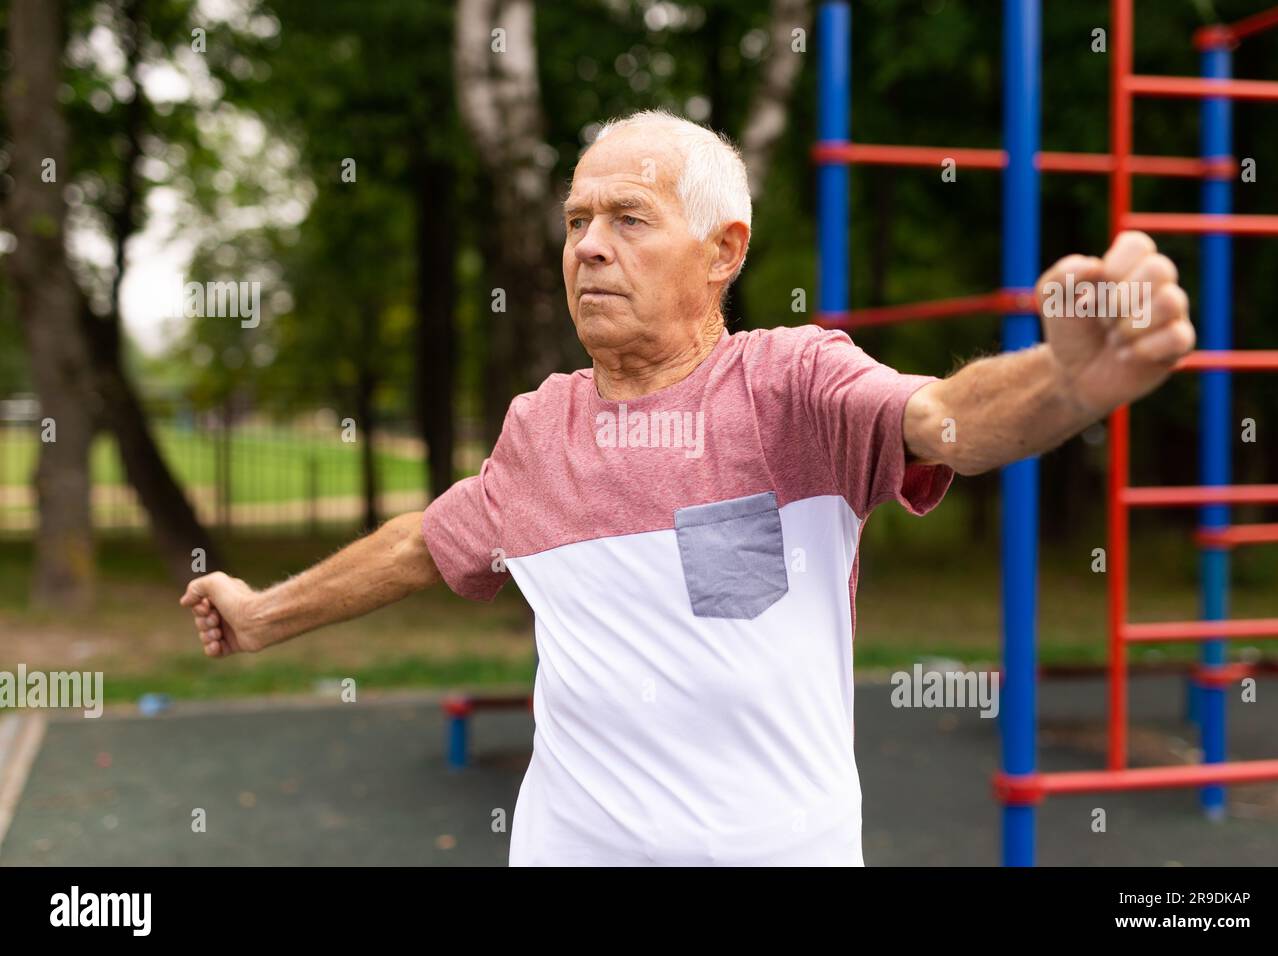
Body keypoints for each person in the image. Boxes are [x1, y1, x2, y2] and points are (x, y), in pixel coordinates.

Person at [180, 109, 1195, 865]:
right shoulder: (540, 429)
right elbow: (421, 543)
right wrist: (265, 613)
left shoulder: (794, 383)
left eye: (628, 218)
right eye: (577, 220)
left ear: (724, 251)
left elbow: (944, 421)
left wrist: (1064, 380)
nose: (587, 245)